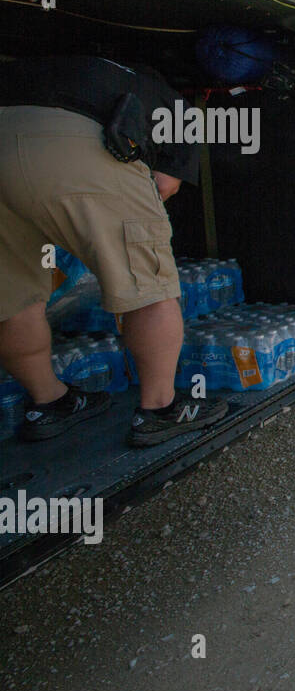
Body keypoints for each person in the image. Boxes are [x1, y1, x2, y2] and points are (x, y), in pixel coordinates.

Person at [0, 55, 229, 446]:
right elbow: (164, 185)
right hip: (73, 142)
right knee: (150, 287)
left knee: (13, 296)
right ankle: (160, 409)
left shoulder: (70, 69)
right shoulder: (174, 108)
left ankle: (49, 402)